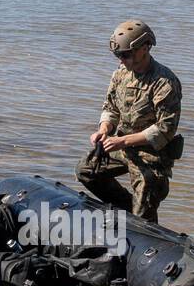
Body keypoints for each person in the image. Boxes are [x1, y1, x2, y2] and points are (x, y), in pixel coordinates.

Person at [74, 19, 182, 223]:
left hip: (152, 155)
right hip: (121, 146)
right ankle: (127, 209)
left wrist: (121, 141)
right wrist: (104, 129)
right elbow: (111, 108)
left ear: (144, 48)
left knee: (145, 209)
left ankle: (142, 219)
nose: (121, 60)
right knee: (86, 170)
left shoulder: (164, 83)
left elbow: (164, 129)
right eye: (118, 55)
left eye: (125, 55)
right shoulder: (121, 74)